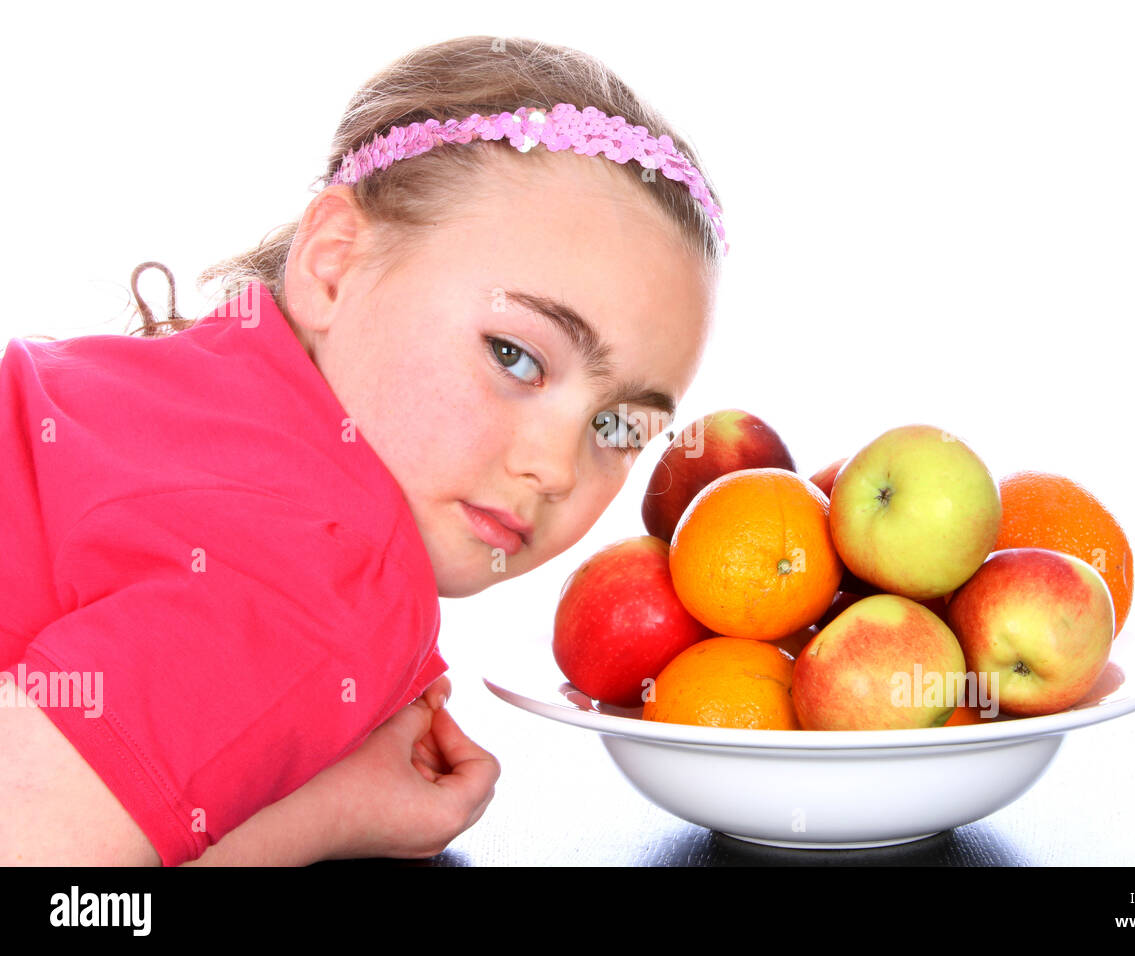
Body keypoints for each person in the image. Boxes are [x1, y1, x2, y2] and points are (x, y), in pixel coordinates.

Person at [0, 35, 724, 865]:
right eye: (514, 356)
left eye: (618, 427)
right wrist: (327, 816)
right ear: (332, 263)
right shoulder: (332, 576)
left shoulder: (198, 390)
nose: (556, 470)